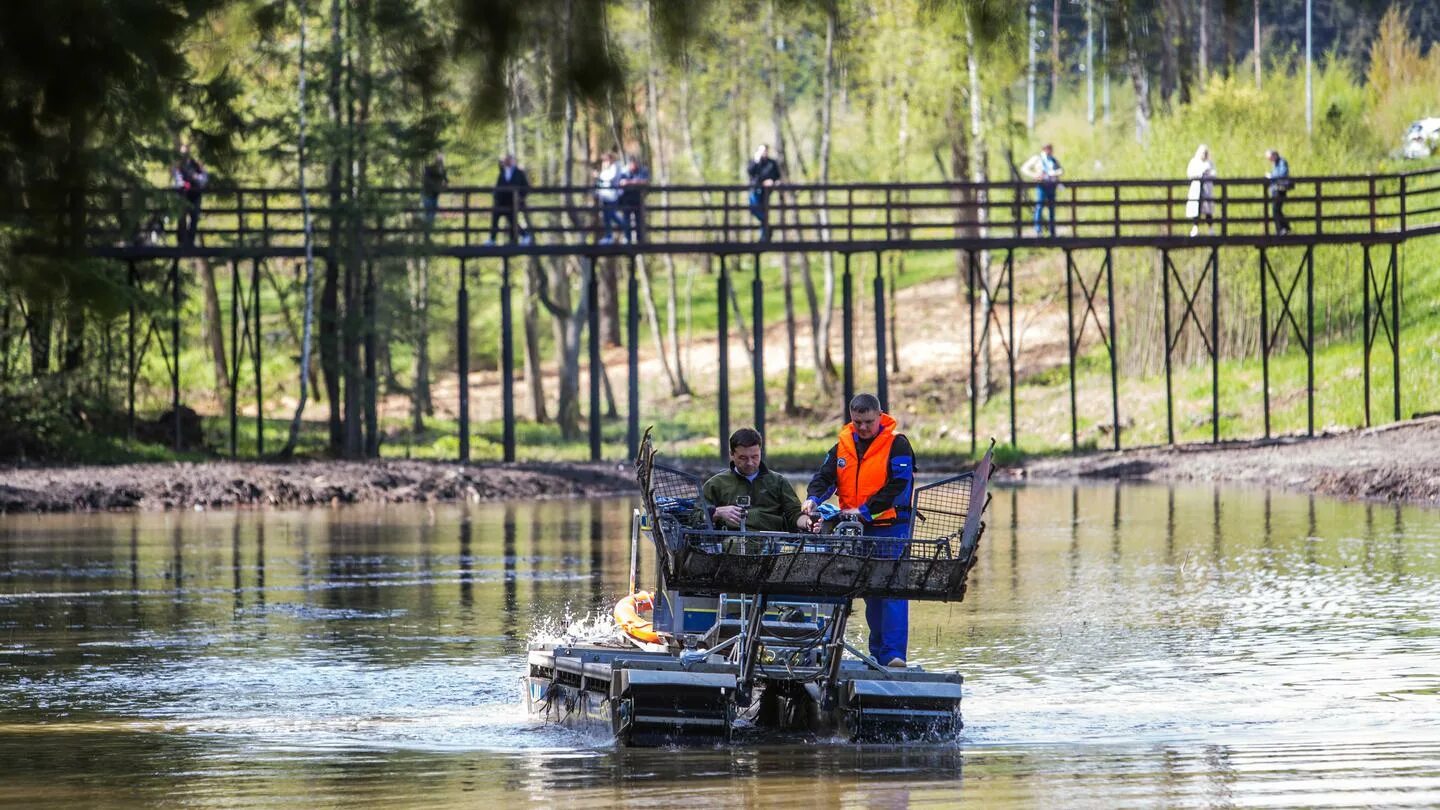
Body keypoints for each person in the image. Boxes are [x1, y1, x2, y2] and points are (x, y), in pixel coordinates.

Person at [801, 393, 916, 668]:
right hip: (858, 530)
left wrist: (864, 511)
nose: (863, 427)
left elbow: (898, 485)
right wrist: (813, 499)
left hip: (890, 528)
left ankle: (894, 656)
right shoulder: (842, 445)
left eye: (868, 422)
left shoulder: (897, 444)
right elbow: (826, 478)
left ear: (879, 416)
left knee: (892, 590)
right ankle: (878, 655)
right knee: (871, 591)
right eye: (857, 422)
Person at [703, 428, 815, 534]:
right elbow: (695, 516)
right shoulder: (715, 484)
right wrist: (717, 512)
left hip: (773, 543)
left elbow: (795, 514)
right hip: (732, 543)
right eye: (743, 458)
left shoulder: (778, 482)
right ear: (732, 454)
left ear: (761, 452)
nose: (750, 463)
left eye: (755, 457)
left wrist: (808, 523)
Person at [487, 153, 531, 245]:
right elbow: (498, 186)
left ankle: (524, 236)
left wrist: (521, 197)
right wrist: (495, 197)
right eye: (505, 160)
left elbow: (526, 187)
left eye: (508, 160)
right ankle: (492, 239)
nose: (506, 162)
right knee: (495, 219)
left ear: (513, 161)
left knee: (513, 222)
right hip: (500, 202)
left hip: (512, 202)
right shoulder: (502, 172)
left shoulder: (519, 173)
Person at [1020, 143, 1063, 237]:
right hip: (1042, 185)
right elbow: (1024, 168)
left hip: (1051, 185)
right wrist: (1035, 175)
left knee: (1051, 209)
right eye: (1049, 149)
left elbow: (1061, 170)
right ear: (1044, 149)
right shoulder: (1038, 158)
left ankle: (1052, 232)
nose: (1051, 151)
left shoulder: (1053, 160)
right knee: (1039, 207)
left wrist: (1055, 173)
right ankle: (1038, 230)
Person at [171, 143, 207, 247]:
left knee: (194, 218)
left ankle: (190, 242)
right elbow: (177, 179)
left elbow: (203, 178)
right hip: (182, 195)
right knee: (181, 218)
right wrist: (183, 184)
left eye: (186, 153)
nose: (184, 155)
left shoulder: (195, 165)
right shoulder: (178, 166)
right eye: (182, 153)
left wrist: (195, 177)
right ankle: (181, 242)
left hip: (195, 195)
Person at [747, 144, 781, 242]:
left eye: (765, 150)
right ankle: (767, 229)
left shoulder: (771, 163)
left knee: (763, 212)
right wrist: (756, 161)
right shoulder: (754, 162)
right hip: (755, 190)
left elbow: (777, 176)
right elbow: (750, 172)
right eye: (762, 150)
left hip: (766, 193)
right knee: (754, 210)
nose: (764, 152)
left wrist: (772, 182)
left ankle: (764, 237)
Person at [616, 155, 650, 244]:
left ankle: (640, 241)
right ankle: (628, 240)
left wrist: (630, 182)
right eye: (632, 163)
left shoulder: (643, 170)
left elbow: (645, 182)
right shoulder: (624, 171)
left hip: (638, 200)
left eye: (635, 163)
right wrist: (635, 182)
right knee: (626, 221)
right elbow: (621, 183)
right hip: (626, 200)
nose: (634, 166)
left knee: (639, 221)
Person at [1185, 145, 1217, 237]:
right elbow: (1190, 174)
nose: (1204, 154)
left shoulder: (1209, 163)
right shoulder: (1194, 162)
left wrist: (1207, 174)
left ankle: (1211, 230)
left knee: (1208, 211)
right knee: (1196, 210)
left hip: (1207, 190)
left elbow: (1214, 174)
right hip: (1196, 190)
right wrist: (1200, 174)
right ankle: (1195, 229)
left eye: (1206, 153)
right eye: (1203, 153)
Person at [595, 152, 624, 244]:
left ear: (611, 159)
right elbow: (601, 182)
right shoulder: (608, 168)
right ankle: (608, 237)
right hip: (605, 196)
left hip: (612, 196)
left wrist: (599, 175)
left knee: (611, 215)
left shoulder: (616, 167)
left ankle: (626, 228)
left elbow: (611, 178)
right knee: (606, 218)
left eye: (606, 160)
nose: (605, 162)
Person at [1265, 149, 1292, 236]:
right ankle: (1284, 228)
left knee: (1275, 210)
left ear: (1274, 155)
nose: (1270, 160)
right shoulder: (1276, 164)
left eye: (1270, 158)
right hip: (1276, 189)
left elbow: (1283, 174)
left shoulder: (1282, 162)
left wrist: (1271, 176)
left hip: (1280, 189)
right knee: (1277, 210)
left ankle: (1281, 230)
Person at [421, 152, 448, 229]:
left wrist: (444, 186)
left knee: (431, 215)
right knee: (429, 215)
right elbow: (428, 181)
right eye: (439, 159)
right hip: (427, 194)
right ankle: (427, 233)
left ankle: (427, 234)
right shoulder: (429, 169)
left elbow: (445, 181)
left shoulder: (442, 170)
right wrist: (439, 187)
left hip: (434, 195)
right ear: (436, 159)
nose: (441, 161)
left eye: (442, 159)